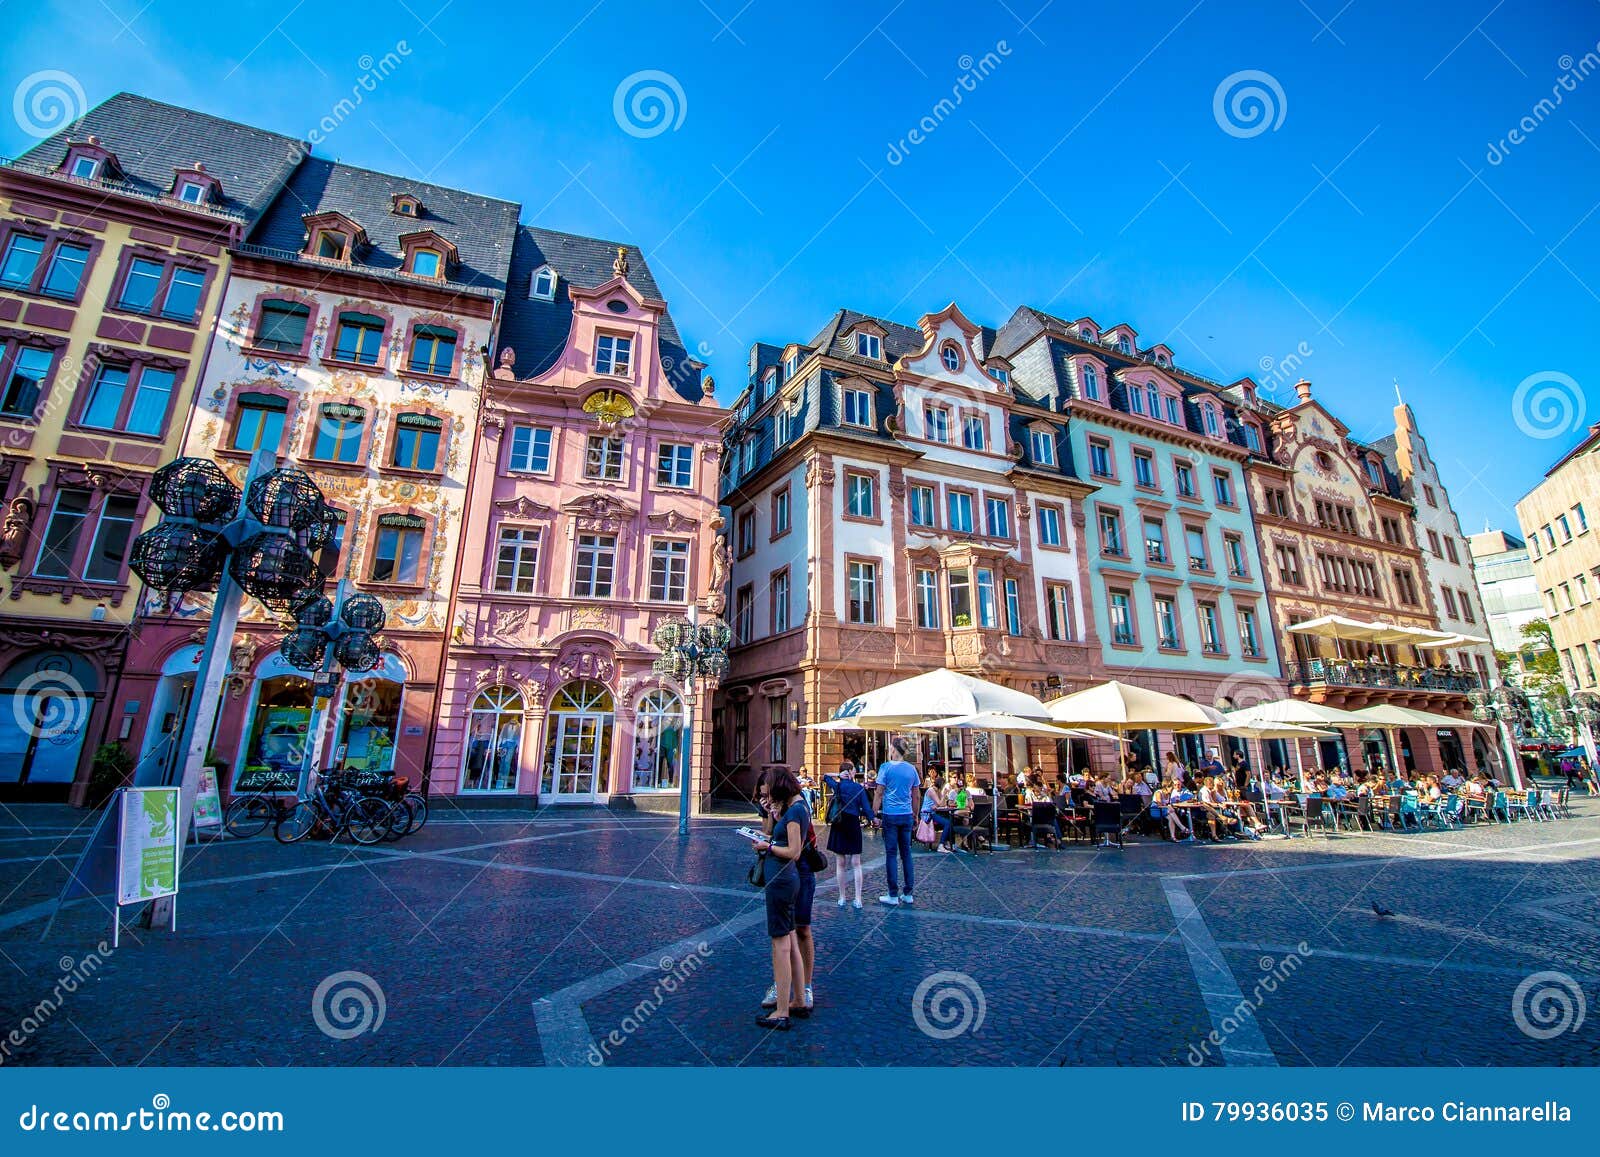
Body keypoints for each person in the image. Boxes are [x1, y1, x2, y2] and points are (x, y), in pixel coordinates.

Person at [753, 768, 815, 1029]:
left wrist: (767, 847)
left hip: (783, 880)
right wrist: (769, 813)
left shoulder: (795, 811)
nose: (765, 794)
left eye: (768, 789)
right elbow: (774, 834)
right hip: (785, 879)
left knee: (782, 944)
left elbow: (794, 852)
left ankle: (781, 1012)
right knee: (789, 938)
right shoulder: (791, 808)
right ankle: (799, 999)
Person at [873, 738, 921, 906]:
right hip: (907, 814)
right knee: (906, 854)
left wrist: (873, 815)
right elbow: (916, 795)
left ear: (893, 749)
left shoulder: (885, 768)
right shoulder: (912, 769)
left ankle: (892, 894)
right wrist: (916, 815)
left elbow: (879, 793)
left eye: (890, 748)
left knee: (891, 855)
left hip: (890, 815)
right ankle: (908, 893)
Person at [823, 761, 874, 909]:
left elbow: (825, 777)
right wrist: (873, 819)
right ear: (851, 772)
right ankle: (858, 899)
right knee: (856, 863)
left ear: (841, 773)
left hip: (839, 823)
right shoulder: (859, 788)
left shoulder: (838, 786)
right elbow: (866, 809)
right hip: (852, 823)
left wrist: (837, 775)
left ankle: (842, 897)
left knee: (840, 863)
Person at [921, 773, 955, 853]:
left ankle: (947, 843)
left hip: (932, 812)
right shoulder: (931, 790)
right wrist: (944, 794)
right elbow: (939, 803)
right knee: (947, 823)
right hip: (927, 814)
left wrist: (941, 795)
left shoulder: (936, 791)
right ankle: (941, 845)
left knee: (948, 820)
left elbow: (941, 804)